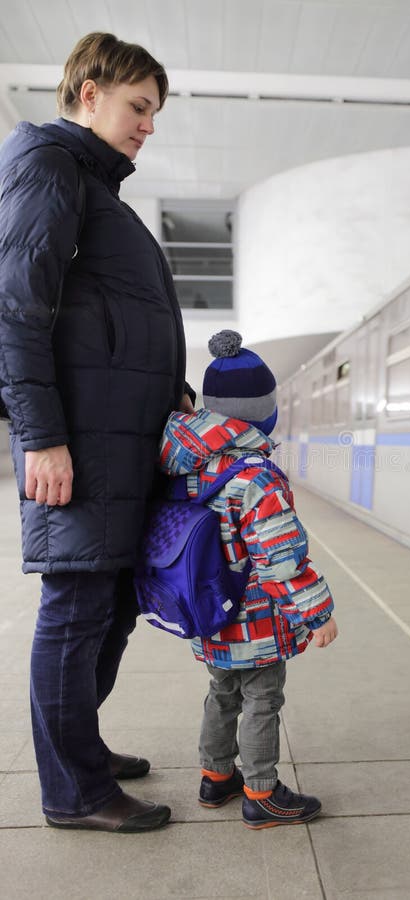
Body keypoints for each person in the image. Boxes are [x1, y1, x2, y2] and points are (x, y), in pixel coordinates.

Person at [0, 33, 195, 832]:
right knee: (79, 609)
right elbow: (16, 309)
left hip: (117, 440)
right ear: (88, 92)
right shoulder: (49, 165)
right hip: (78, 441)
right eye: (138, 106)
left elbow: (102, 318)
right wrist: (40, 435)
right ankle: (74, 789)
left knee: (110, 606)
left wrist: (173, 392)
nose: (148, 125)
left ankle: (79, 746)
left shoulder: (94, 186)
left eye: (155, 112)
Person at [159, 330, 338, 829]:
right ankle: (262, 793)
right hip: (255, 616)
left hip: (205, 609)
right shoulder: (257, 476)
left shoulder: (183, 466)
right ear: (265, 413)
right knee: (263, 697)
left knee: (221, 691)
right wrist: (317, 612)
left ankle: (215, 778)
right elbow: (281, 558)